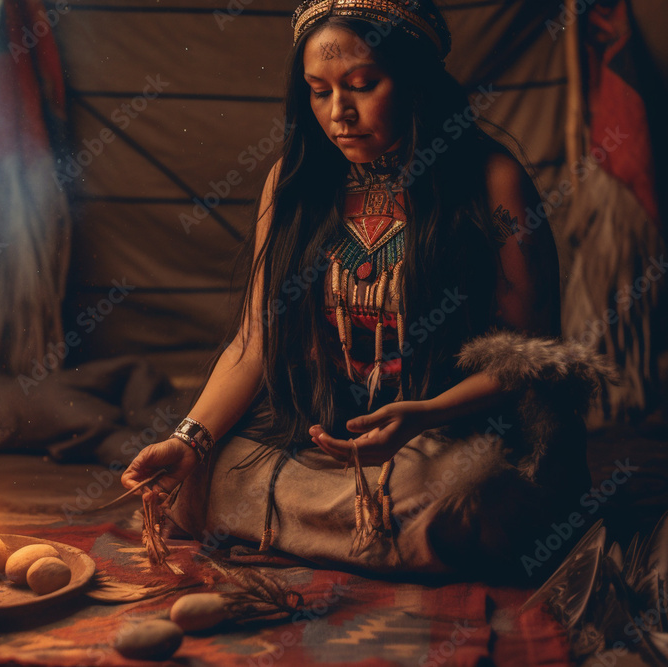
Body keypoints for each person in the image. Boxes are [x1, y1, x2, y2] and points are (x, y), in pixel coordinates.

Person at [122, 0, 609, 580]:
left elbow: (527, 362)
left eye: (361, 85)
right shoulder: (295, 180)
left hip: (450, 435)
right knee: (198, 477)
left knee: (454, 501)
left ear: (416, 80)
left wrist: (422, 415)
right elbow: (256, 339)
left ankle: (340, 527)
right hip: (326, 436)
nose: (338, 114)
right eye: (318, 90)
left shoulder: (490, 181)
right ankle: (364, 534)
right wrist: (189, 441)